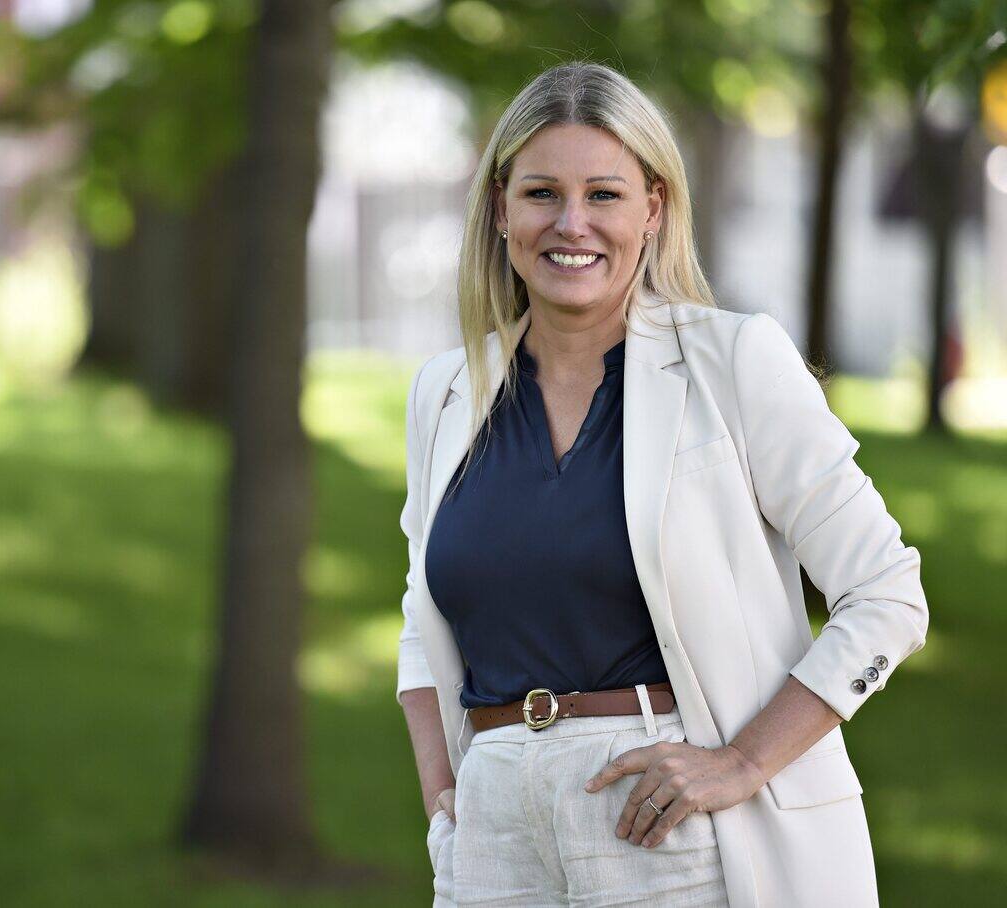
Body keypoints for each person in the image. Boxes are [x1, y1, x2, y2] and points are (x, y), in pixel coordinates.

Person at [395, 61, 928, 908]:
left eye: (604, 194)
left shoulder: (734, 361)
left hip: (672, 830)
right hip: (493, 838)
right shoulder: (445, 391)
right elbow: (422, 625)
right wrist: (446, 803)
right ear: (499, 209)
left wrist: (744, 760)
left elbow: (889, 592)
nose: (572, 223)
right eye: (541, 193)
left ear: (653, 208)